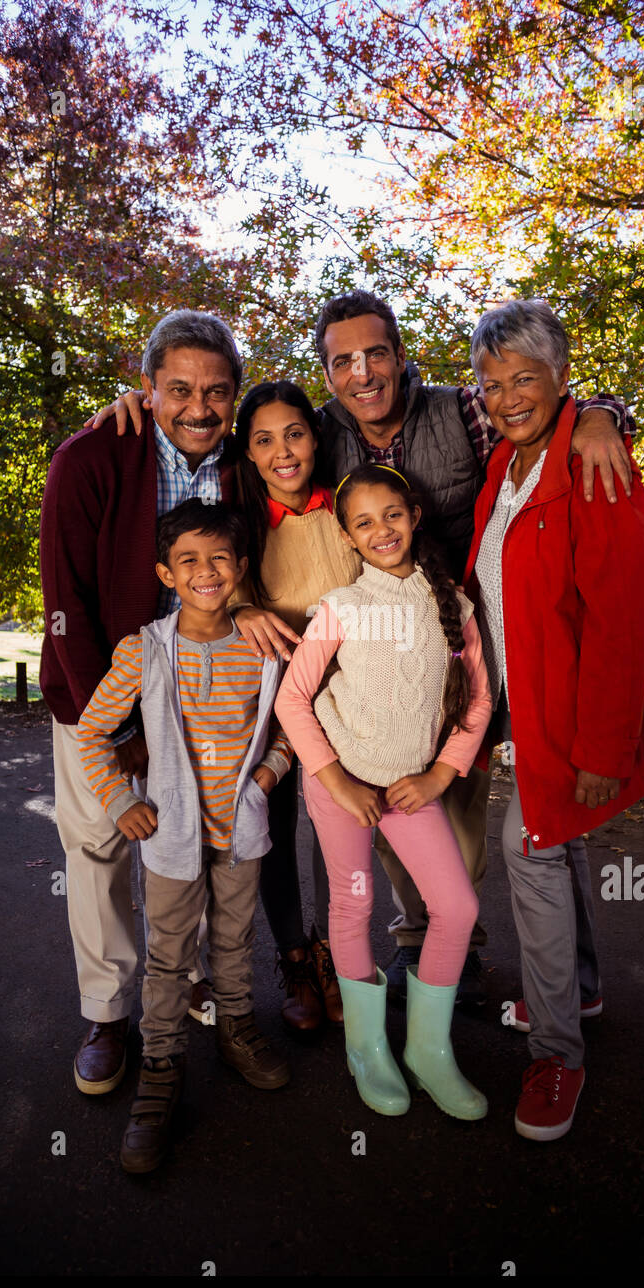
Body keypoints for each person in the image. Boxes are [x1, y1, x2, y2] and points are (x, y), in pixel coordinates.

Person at [86, 290, 634, 1006]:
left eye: (376, 353)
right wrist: (140, 399)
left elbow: (531, 400)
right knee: (319, 827)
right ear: (328, 375)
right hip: (323, 681)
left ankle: (467, 953)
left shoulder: (460, 408)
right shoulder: (313, 435)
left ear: (401, 356)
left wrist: (602, 415)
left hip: (454, 644)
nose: (363, 372)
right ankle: (337, 960)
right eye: (342, 361)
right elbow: (232, 439)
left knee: (464, 815)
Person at [40, 309, 294, 1098]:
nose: (198, 407)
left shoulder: (246, 465)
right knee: (102, 847)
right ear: (147, 390)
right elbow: (66, 603)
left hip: (210, 699)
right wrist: (113, 730)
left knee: (197, 850)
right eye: (178, 388)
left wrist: (248, 603)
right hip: (100, 697)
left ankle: (186, 987)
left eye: (217, 391)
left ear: (236, 396)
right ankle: (108, 1014)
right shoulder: (90, 458)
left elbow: (245, 561)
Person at [462, 299, 644, 1141]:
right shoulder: (504, 465)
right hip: (520, 707)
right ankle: (579, 988)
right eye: (493, 381)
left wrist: (605, 746)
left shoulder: (592, 468)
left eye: (525, 378)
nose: (508, 396)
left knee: (530, 847)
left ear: (561, 376)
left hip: (573, 718)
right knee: (557, 841)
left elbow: (620, 618)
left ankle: (556, 1057)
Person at [77, 499, 292, 1173]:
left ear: (243, 568)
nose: (207, 572)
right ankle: (162, 1068)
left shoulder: (262, 646)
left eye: (220, 558)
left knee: (233, 939)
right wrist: (119, 801)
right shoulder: (146, 649)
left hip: (240, 831)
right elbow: (91, 733)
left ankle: (235, 1029)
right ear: (166, 573)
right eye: (190, 561)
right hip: (171, 836)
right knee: (169, 955)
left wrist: (266, 775)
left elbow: (290, 725)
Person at [275, 464, 492, 1120]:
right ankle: (368, 1047)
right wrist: (337, 780)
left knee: (456, 908)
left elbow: (480, 699)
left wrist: (439, 774)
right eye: (363, 522)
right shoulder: (343, 608)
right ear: (347, 537)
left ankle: (429, 1050)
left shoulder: (452, 603)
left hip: (410, 787)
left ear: (415, 515)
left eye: (392, 515)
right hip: (341, 782)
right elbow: (292, 698)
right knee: (354, 906)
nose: (381, 530)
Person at [228, 379, 361, 1033]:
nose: (283, 451)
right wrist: (243, 605)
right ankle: (294, 961)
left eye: (295, 433)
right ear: (247, 453)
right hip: (276, 701)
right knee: (273, 830)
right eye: (263, 439)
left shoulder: (344, 506)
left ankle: (337, 957)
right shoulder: (243, 526)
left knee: (336, 837)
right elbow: (214, 590)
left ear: (315, 437)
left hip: (350, 701)